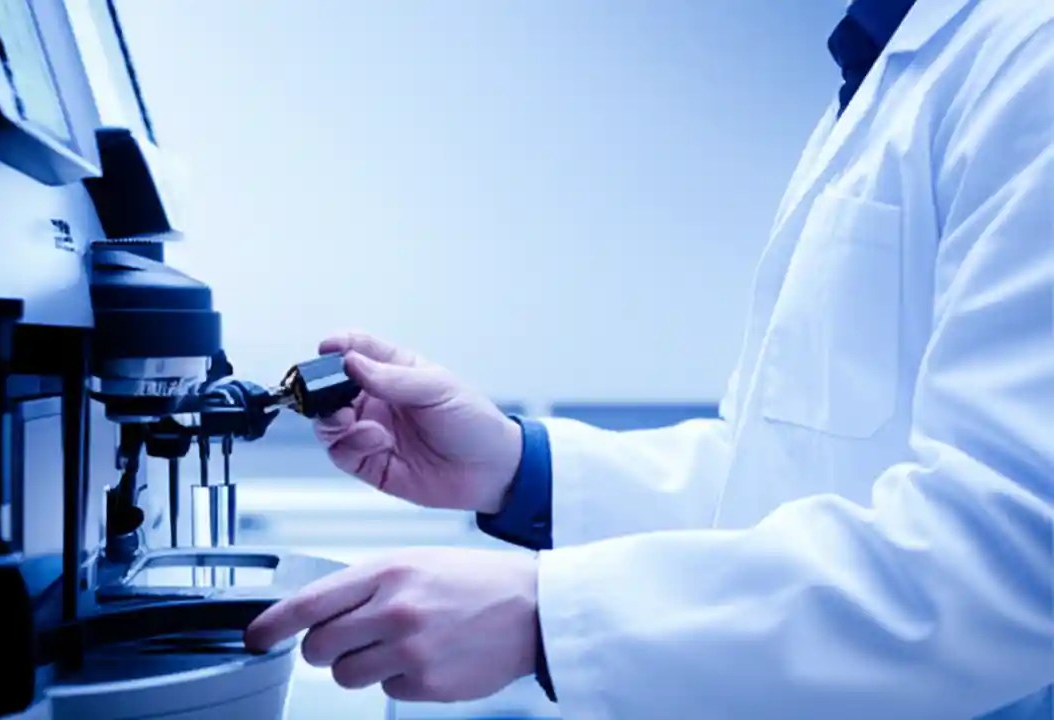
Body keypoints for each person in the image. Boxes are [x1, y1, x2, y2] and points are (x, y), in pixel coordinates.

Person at [245, 0, 1054, 717]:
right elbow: (772, 480)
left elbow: (1017, 559)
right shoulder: (886, 62)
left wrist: (546, 616)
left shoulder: (1031, 53)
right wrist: (518, 468)